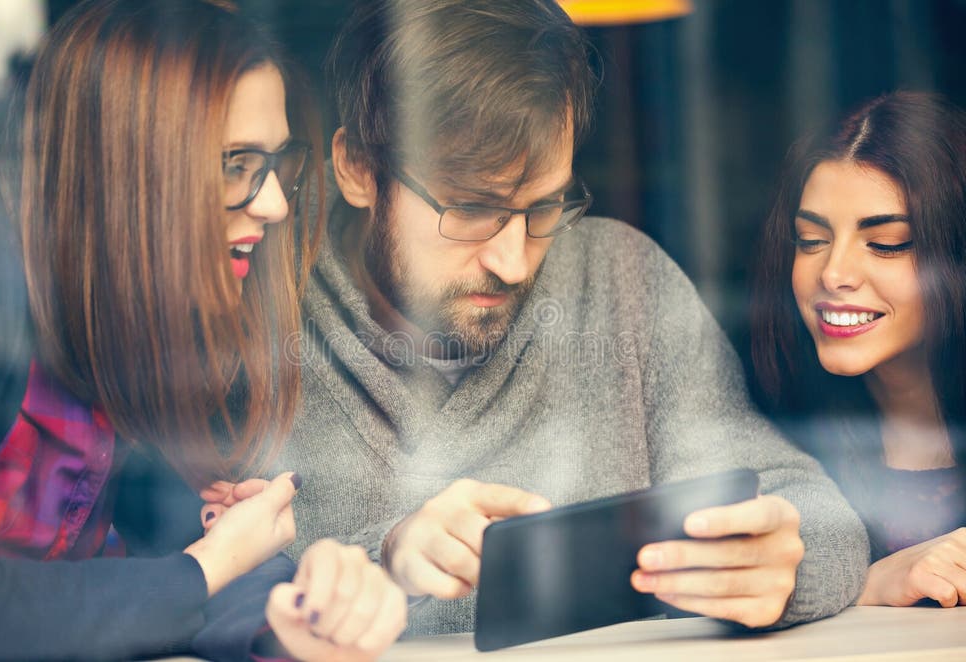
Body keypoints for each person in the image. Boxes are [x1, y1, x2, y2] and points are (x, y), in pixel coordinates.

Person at [211, 0, 868, 636]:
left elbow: (814, 514)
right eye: (470, 209)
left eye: (544, 210)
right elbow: (182, 580)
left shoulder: (621, 282)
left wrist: (784, 561)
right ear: (357, 168)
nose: (514, 262)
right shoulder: (251, 307)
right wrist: (382, 565)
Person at [0, 1, 405, 660]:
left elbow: (169, 563)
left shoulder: (129, 309)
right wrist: (205, 569)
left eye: (278, 162)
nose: (276, 204)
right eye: (236, 165)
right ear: (126, 170)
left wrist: (298, 610)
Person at [750, 91, 966, 608]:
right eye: (810, 239)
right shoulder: (761, 433)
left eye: (887, 242)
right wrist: (875, 584)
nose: (833, 274)